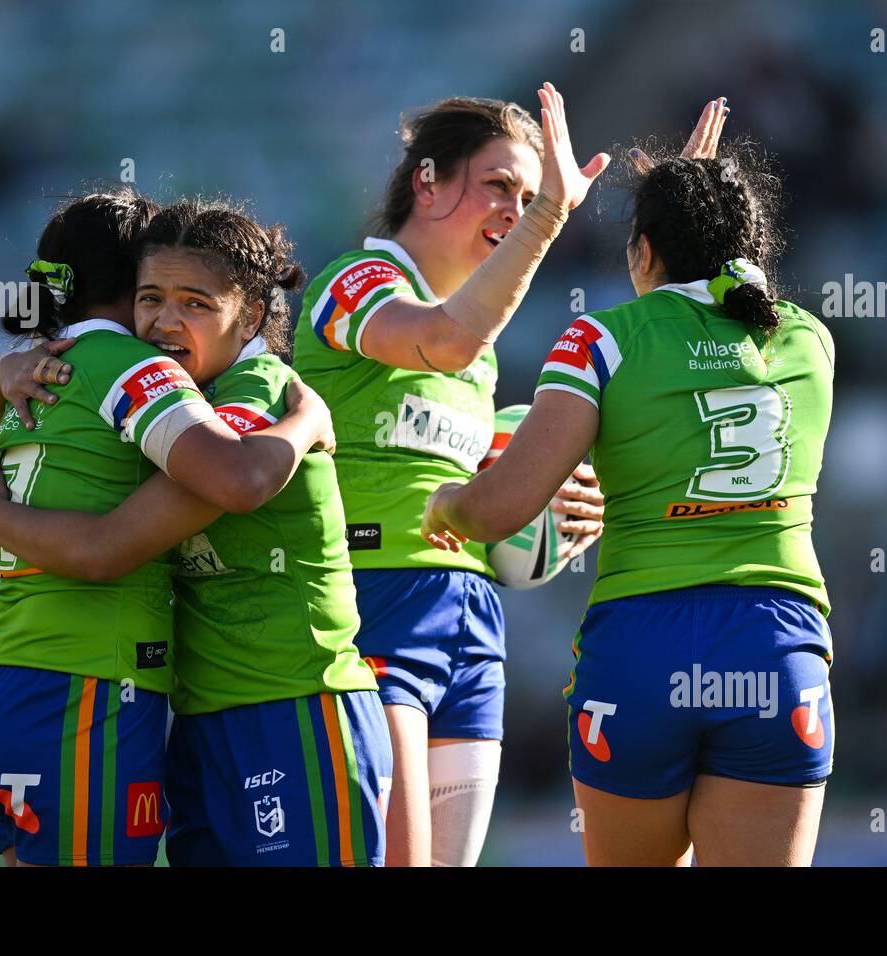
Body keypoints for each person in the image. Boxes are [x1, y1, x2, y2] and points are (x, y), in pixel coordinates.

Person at [294, 82, 727, 865]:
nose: (517, 208)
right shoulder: (355, 284)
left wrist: (537, 485)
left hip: (472, 621)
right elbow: (442, 341)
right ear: (426, 180)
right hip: (373, 605)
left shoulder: (485, 347)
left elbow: (486, 452)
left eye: (530, 196)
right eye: (500, 186)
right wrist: (553, 216)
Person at [421, 141, 835, 867]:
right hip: (775, 645)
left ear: (643, 252)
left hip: (643, 649)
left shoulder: (600, 341)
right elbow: (724, 318)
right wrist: (701, 194)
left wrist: (448, 504)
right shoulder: (807, 339)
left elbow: (502, 508)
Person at [0, 198, 393, 866]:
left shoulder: (257, 390)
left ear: (251, 316)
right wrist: (0, 373)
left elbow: (226, 486)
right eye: (150, 297)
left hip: (293, 707)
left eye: (195, 303)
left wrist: (308, 420)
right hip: (200, 724)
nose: (166, 321)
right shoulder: (170, 405)